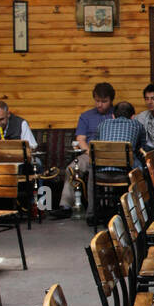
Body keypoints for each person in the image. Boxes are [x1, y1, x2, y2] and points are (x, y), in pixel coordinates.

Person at [56, 81, 115, 214]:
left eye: (104, 101)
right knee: (71, 169)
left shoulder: (117, 114)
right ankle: (65, 206)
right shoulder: (86, 116)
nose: (99, 104)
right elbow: (80, 139)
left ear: (111, 100)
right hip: (89, 153)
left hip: (111, 155)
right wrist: (89, 151)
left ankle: (105, 207)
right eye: (97, 101)